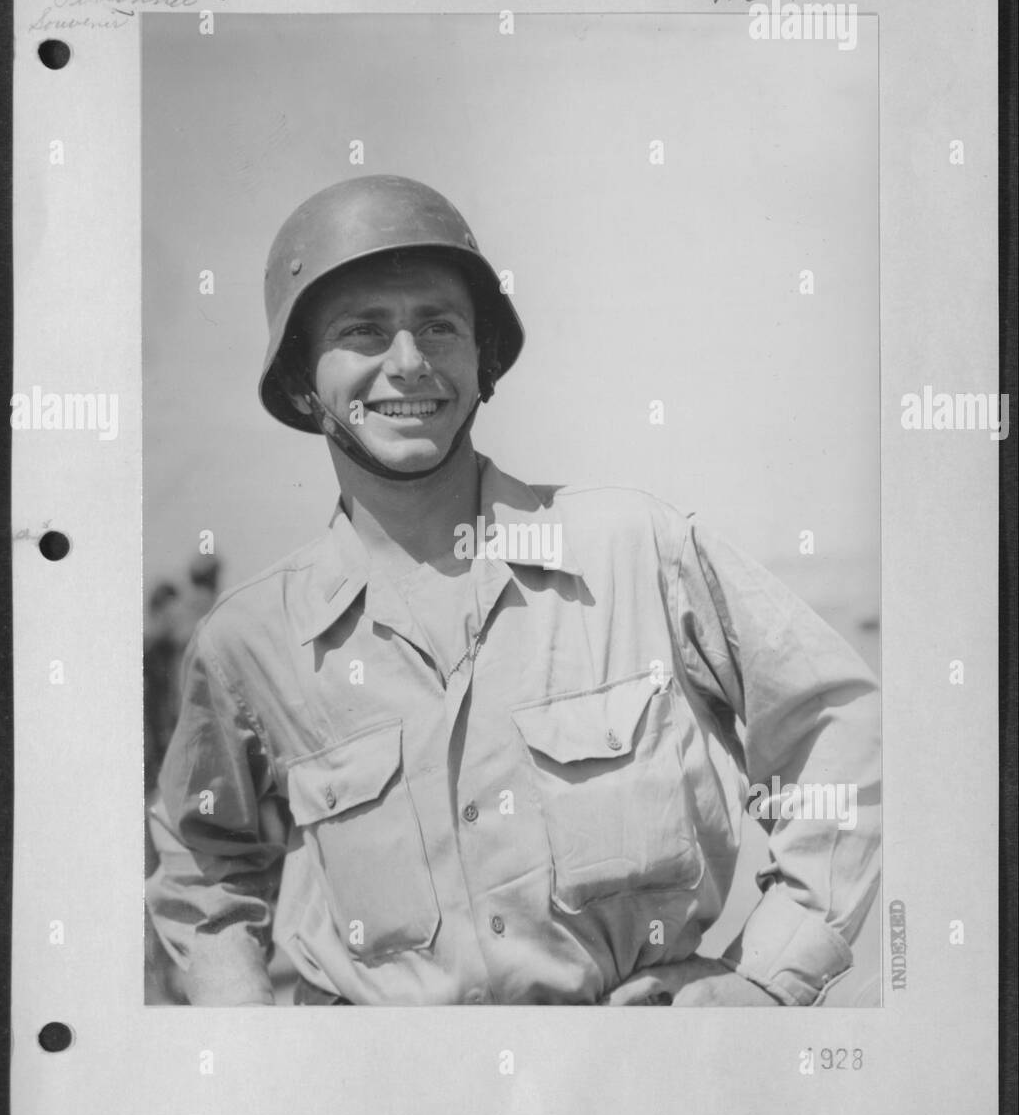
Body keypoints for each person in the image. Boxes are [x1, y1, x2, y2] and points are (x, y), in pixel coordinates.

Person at [146, 175, 880, 1008]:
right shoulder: (252, 642)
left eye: (439, 326)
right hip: (378, 1114)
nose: (409, 362)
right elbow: (204, 868)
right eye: (363, 331)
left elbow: (839, 727)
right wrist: (251, 1062)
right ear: (304, 384)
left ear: (481, 358)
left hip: (630, 1095)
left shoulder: (634, 552)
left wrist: (768, 974)